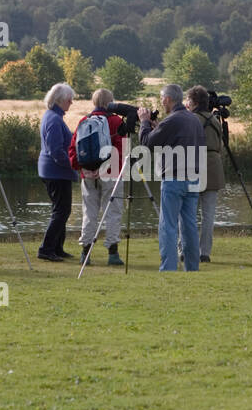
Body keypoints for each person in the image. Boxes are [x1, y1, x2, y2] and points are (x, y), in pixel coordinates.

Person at [139, 83, 206, 271]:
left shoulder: (172, 120)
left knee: (168, 225)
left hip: (174, 177)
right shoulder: (193, 120)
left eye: (162, 98)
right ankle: (193, 267)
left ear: (168, 99)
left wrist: (144, 122)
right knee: (190, 225)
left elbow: (147, 143)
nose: (161, 102)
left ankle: (168, 267)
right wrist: (157, 128)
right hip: (194, 177)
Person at [68, 88, 133, 267]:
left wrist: (81, 167)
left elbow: (73, 149)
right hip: (111, 173)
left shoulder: (84, 121)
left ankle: (85, 253)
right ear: (111, 102)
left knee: (89, 213)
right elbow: (122, 150)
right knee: (112, 212)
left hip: (87, 173)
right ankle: (112, 253)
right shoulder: (116, 121)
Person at [183, 85, 224, 263]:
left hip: (194, 164)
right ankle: (204, 252)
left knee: (188, 212)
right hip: (214, 165)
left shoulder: (190, 119)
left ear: (193, 102)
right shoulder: (216, 120)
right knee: (209, 214)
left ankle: (185, 249)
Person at [37, 83, 77, 262]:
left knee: (62, 210)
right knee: (61, 211)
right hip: (56, 172)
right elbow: (55, 150)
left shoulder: (53, 117)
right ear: (61, 100)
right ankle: (46, 248)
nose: (72, 103)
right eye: (70, 100)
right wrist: (73, 164)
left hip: (54, 171)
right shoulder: (54, 119)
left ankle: (57, 247)